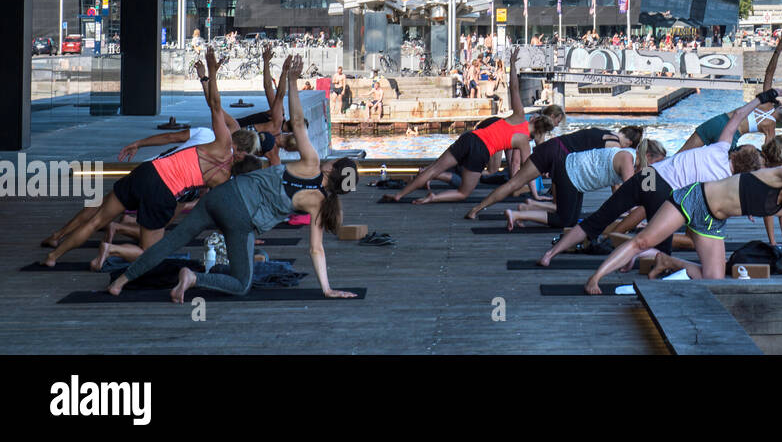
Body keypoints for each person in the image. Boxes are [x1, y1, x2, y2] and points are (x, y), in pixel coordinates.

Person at [109, 56, 359, 301]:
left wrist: (293, 81)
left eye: (335, 162)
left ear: (331, 170)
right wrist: (327, 289)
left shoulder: (312, 163)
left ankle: (121, 281)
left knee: (172, 241)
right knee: (241, 284)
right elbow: (316, 249)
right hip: (240, 218)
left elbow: (297, 123)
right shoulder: (320, 204)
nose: (331, 160)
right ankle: (193, 278)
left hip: (222, 195)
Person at [42, 48, 248, 265]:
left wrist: (209, 75)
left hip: (149, 170)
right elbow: (221, 208)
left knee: (96, 219)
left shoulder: (213, 138)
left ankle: (53, 256)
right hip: (166, 192)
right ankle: (111, 249)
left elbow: (212, 108)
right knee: (153, 250)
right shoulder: (223, 176)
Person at [538, 93, 777, 267]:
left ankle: (550, 254)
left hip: (649, 175)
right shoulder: (727, 181)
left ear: (737, 152)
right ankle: (632, 260)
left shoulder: (721, 147)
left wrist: (762, 97)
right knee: (661, 249)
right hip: (663, 192)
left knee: (598, 219)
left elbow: (736, 116)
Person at [585, 165, 782, 293]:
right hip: (693, 199)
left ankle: (667, 261)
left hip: (712, 222)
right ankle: (596, 278)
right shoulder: (776, 176)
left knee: (715, 278)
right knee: (642, 242)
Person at [381, 48, 562, 204]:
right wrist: (536, 194)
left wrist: (512, 64)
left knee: (434, 168)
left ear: (534, 120)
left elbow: (513, 88)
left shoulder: (519, 116)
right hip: (481, 151)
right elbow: (526, 170)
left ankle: (399, 195)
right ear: (540, 131)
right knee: (464, 193)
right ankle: (433, 197)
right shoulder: (524, 143)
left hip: (470, 137)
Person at [465, 126, 641, 220]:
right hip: (565, 163)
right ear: (630, 143)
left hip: (553, 147)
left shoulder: (603, 132)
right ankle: (526, 211)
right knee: (565, 213)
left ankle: (476, 209)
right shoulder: (616, 148)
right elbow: (615, 182)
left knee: (514, 183)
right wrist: (624, 207)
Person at [676, 30, 782, 153]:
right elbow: (767, 153)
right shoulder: (770, 128)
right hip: (729, 137)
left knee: (679, 155)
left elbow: (769, 73)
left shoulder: (766, 103)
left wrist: (778, 50)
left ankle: (656, 170)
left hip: (719, 121)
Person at [504, 140, 665, 231]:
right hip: (569, 172)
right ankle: (516, 215)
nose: (658, 166)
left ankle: (526, 209)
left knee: (572, 219)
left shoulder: (639, 163)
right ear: (648, 156)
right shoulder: (627, 159)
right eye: (658, 162)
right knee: (565, 220)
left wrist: (641, 216)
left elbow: (634, 194)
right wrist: (636, 217)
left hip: (577, 178)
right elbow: (630, 194)